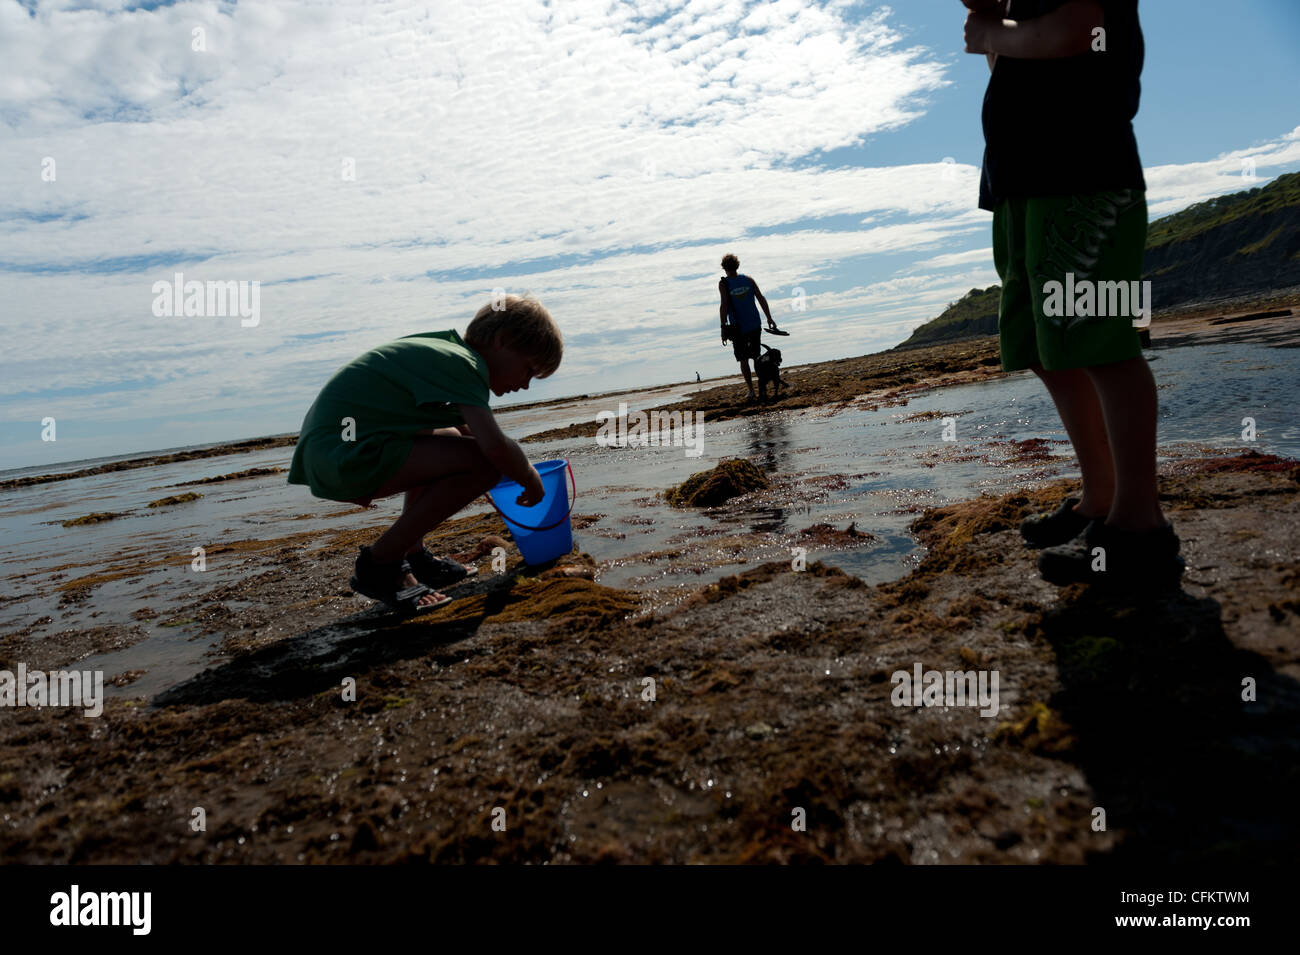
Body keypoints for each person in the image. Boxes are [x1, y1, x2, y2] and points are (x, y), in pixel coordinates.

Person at [962, 0, 1182, 586]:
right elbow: (1021, 58)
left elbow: (1083, 29)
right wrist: (992, 21)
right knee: (1041, 344)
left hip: (1083, 171)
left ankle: (1140, 529)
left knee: (1103, 343)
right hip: (1020, 181)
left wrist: (990, 27)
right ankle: (1101, 495)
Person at [287, 295, 562, 611]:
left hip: (331, 455)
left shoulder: (445, 353)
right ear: (501, 342)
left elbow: (465, 431)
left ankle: (414, 555)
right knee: (485, 464)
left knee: (449, 437)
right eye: (528, 370)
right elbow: (494, 445)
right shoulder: (465, 365)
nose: (526, 385)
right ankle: (382, 563)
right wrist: (529, 476)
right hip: (345, 456)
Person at [718, 254, 781, 403]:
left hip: (737, 327)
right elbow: (761, 298)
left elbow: (724, 305)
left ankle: (751, 391)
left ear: (724, 267)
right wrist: (769, 317)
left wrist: (723, 327)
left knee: (743, 359)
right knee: (755, 357)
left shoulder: (724, 284)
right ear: (737, 265)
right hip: (754, 323)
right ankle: (760, 389)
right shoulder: (748, 280)